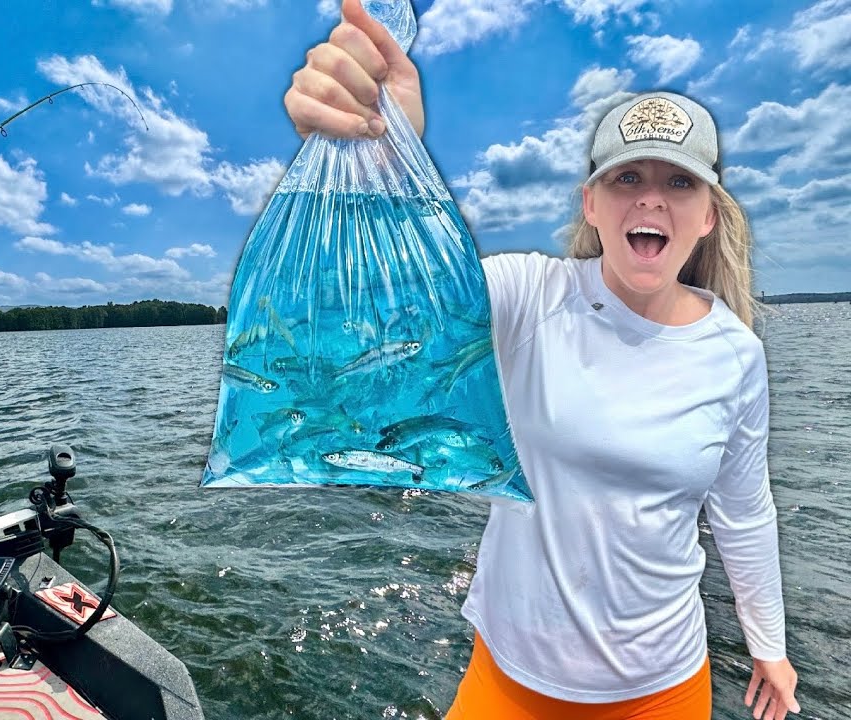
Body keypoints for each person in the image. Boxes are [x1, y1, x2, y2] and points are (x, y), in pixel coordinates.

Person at [284, 1, 800, 719]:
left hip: (664, 688)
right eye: (627, 178)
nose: (652, 198)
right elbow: (383, 315)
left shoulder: (736, 354)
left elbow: (744, 512)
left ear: (709, 214)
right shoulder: (531, 295)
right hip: (511, 680)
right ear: (591, 203)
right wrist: (384, 163)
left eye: (680, 182)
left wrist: (769, 645)